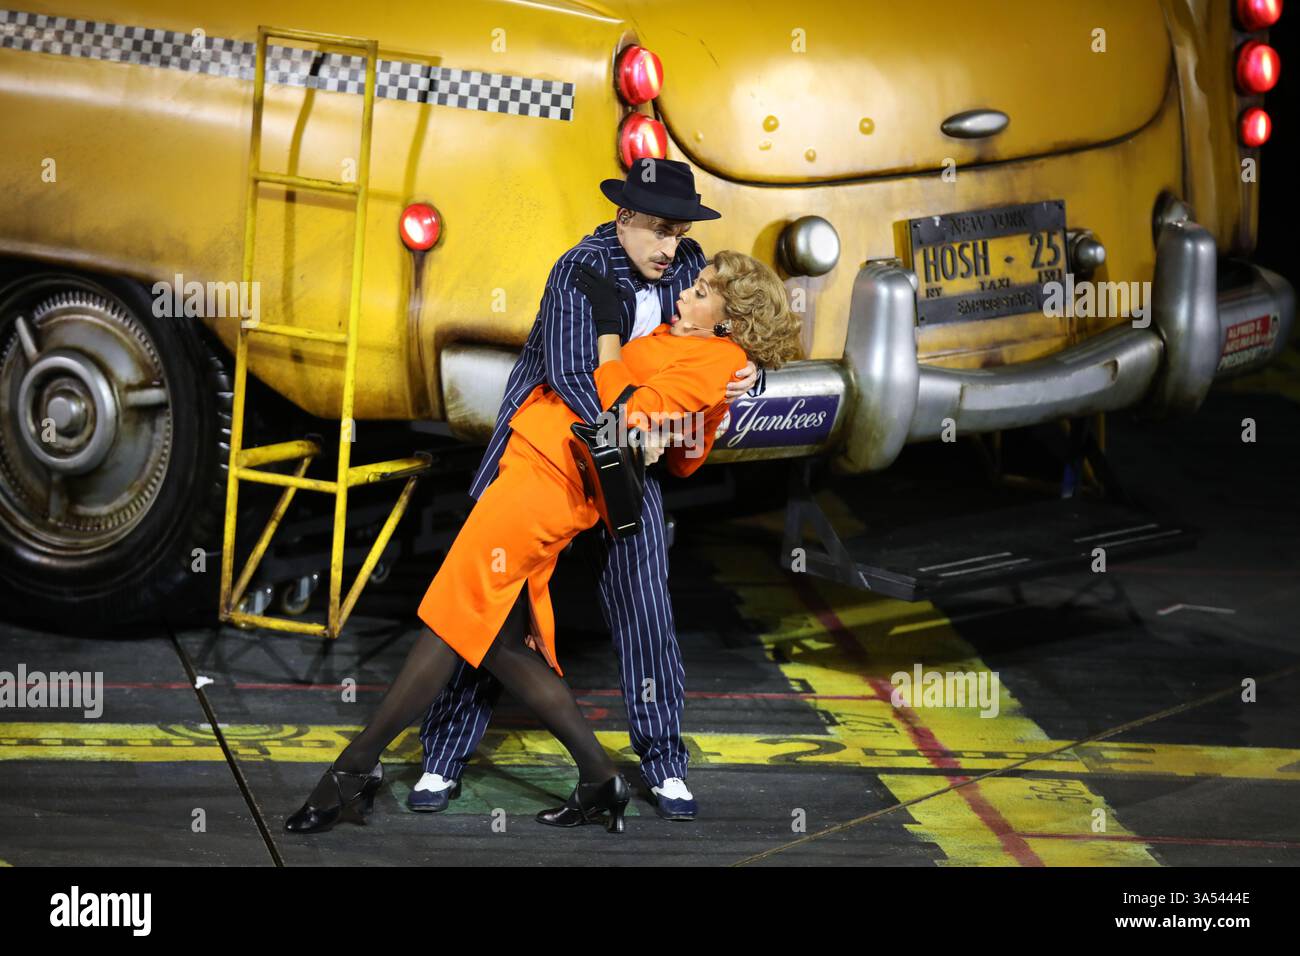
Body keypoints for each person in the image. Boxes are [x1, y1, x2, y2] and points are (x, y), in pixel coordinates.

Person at [283, 249, 803, 834]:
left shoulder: (716, 359)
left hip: (552, 484)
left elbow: (624, 412)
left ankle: (353, 767)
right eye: (697, 283)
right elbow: (679, 447)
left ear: (730, 321)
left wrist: (615, 335)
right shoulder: (686, 337)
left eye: (704, 291)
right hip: (533, 460)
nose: (688, 289)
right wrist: (703, 409)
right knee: (498, 637)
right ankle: (598, 779)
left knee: (453, 617)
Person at [409, 159, 764, 821]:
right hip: (552, 456)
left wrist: (747, 375)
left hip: (624, 473)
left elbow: (727, 329)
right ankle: (443, 755)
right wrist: (638, 420)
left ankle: (663, 764)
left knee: (646, 606)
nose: (670, 247)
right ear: (625, 218)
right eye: (658, 230)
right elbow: (575, 379)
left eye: (679, 231)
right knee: (490, 606)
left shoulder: (687, 266)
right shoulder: (581, 269)